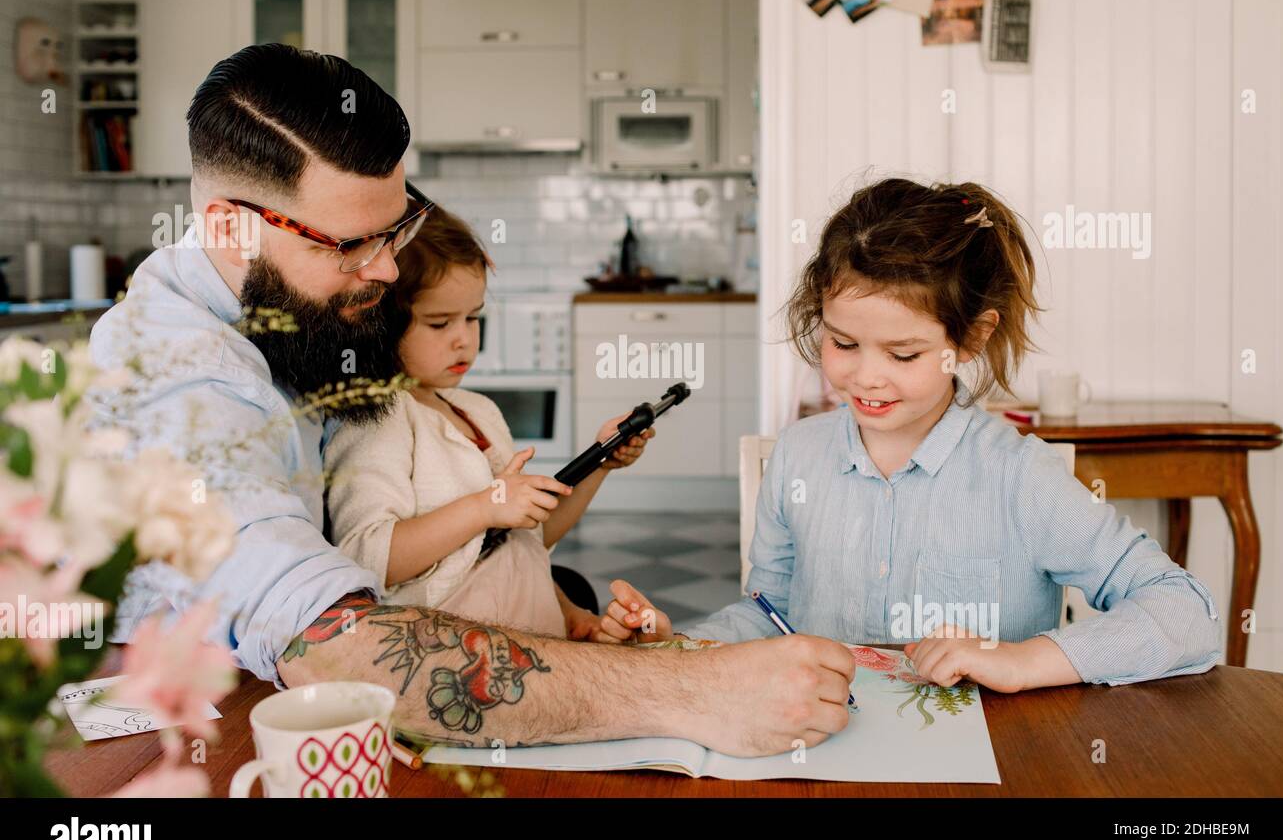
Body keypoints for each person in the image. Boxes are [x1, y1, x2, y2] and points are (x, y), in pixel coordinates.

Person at [87, 42, 855, 757]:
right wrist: (697, 692)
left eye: (396, 229)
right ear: (233, 228)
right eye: (351, 245)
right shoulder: (179, 385)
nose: (387, 272)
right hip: (192, 740)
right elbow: (331, 647)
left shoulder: (288, 312)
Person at [599, 178, 1222, 693]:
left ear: (971, 339)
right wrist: (680, 644)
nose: (866, 375)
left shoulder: (1019, 475)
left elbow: (1184, 610)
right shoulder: (797, 456)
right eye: (843, 343)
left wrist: (1022, 659)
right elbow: (771, 615)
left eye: (903, 354)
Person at [324, 213, 653, 642]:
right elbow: (366, 557)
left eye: (473, 318)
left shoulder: (477, 410)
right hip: (451, 657)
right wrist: (485, 507)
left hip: (531, 643)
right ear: (380, 322)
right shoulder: (376, 419)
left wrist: (601, 462)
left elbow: (526, 540)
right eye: (440, 323)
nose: (464, 339)